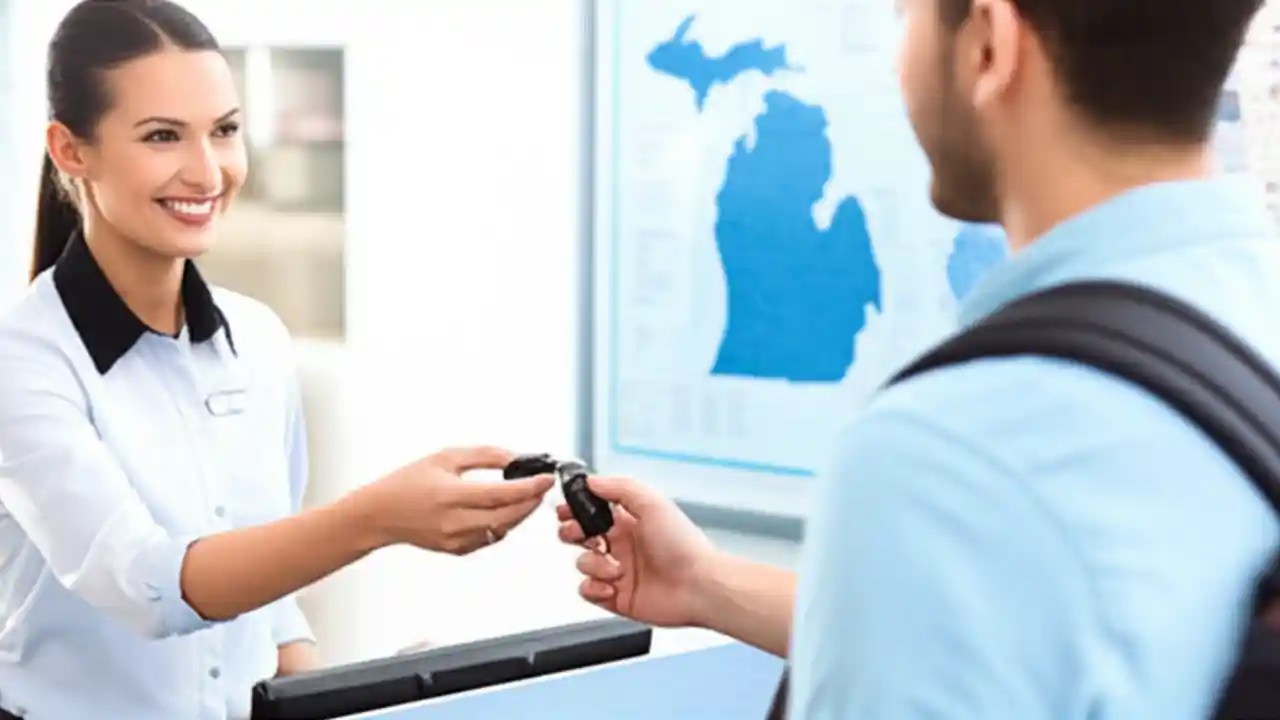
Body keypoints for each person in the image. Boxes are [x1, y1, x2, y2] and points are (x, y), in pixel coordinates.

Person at [561, 0, 1280, 717]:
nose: (897, 63)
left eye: (907, 19)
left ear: (989, 46)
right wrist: (704, 584)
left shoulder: (948, 453)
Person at [0, 2, 553, 718]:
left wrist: (333, 697)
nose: (208, 171)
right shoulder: (24, 362)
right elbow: (146, 585)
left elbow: (272, 607)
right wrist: (375, 520)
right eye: (163, 136)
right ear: (71, 150)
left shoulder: (257, 340)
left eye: (225, 131)